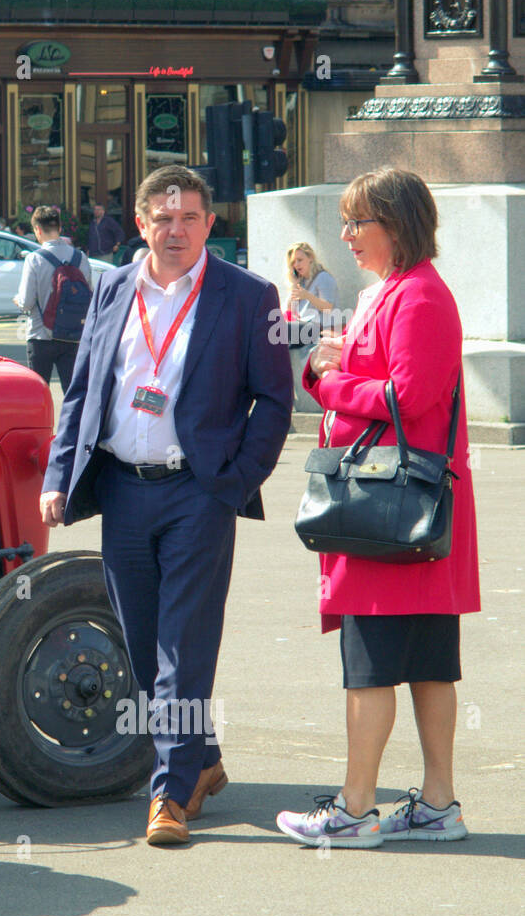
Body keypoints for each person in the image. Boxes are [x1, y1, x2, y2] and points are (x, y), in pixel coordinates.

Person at [40, 165, 292, 846]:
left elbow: (275, 401)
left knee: (185, 647)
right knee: (146, 650)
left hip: (197, 492)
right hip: (123, 487)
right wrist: (60, 473)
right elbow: (83, 387)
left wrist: (233, 483)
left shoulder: (248, 296)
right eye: (163, 217)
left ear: (210, 224)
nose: (175, 231)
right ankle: (202, 759)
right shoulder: (114, 286)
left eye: (189, 218)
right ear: (142, 224)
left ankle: (170, 794)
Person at [275, 168, 479, 849]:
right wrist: (325, 371)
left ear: (396, 223)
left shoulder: (414, 294)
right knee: (428, 663)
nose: (346, 235)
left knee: (370, 668)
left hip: (387, 510)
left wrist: (331, 384)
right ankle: (438, 802)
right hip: (410, 510)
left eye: (358, 221)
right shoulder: (400, 290)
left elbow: (410, 397)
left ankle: (357, 808)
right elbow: (387, 384)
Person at [13, 205, 94, 391]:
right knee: (73, 394)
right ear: (59, 228)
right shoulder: (80, 257)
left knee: (38, 393)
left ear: (37, 230)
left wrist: (17, 299)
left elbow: (26, 303)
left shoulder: (34, 259)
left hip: (41, 336)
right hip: (73, 336)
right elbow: (89, 293)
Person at [284, 242, 339, 413]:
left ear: (311, 259)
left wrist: (306, 295)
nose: (297, 265)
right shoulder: (302, 282)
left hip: (318, 327)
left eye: (300, 260)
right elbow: (290, 310)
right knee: (272, 338)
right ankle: (286, 393)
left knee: (274, 334)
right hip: (303, 328)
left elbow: (328, 307)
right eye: (293, 262)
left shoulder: (323, 278)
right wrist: (294, 286)